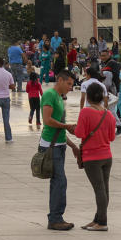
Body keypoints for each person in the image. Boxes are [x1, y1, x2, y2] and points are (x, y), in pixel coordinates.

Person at [73, 82, 116, 231]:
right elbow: (112, 137)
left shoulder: (85, 112)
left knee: (99, 189)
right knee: (104, 189)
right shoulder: (108, 114)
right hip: (107, 156)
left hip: (92, 158)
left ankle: (102, 223)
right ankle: (97, 219)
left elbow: (79, 133)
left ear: (88, 97)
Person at [39, 70, 78, 230]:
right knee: (60, 182)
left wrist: (73, 145)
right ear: (59, 80)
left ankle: (56, 217)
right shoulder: (49, 95)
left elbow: (60, 130)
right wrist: (67, 126)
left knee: (58, 182)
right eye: (68, 83)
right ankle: (55, 219)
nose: (70, 87)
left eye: (72, 85)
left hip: (59, 145)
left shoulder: (60, 98)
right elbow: (47, 120)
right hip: (50, 146)